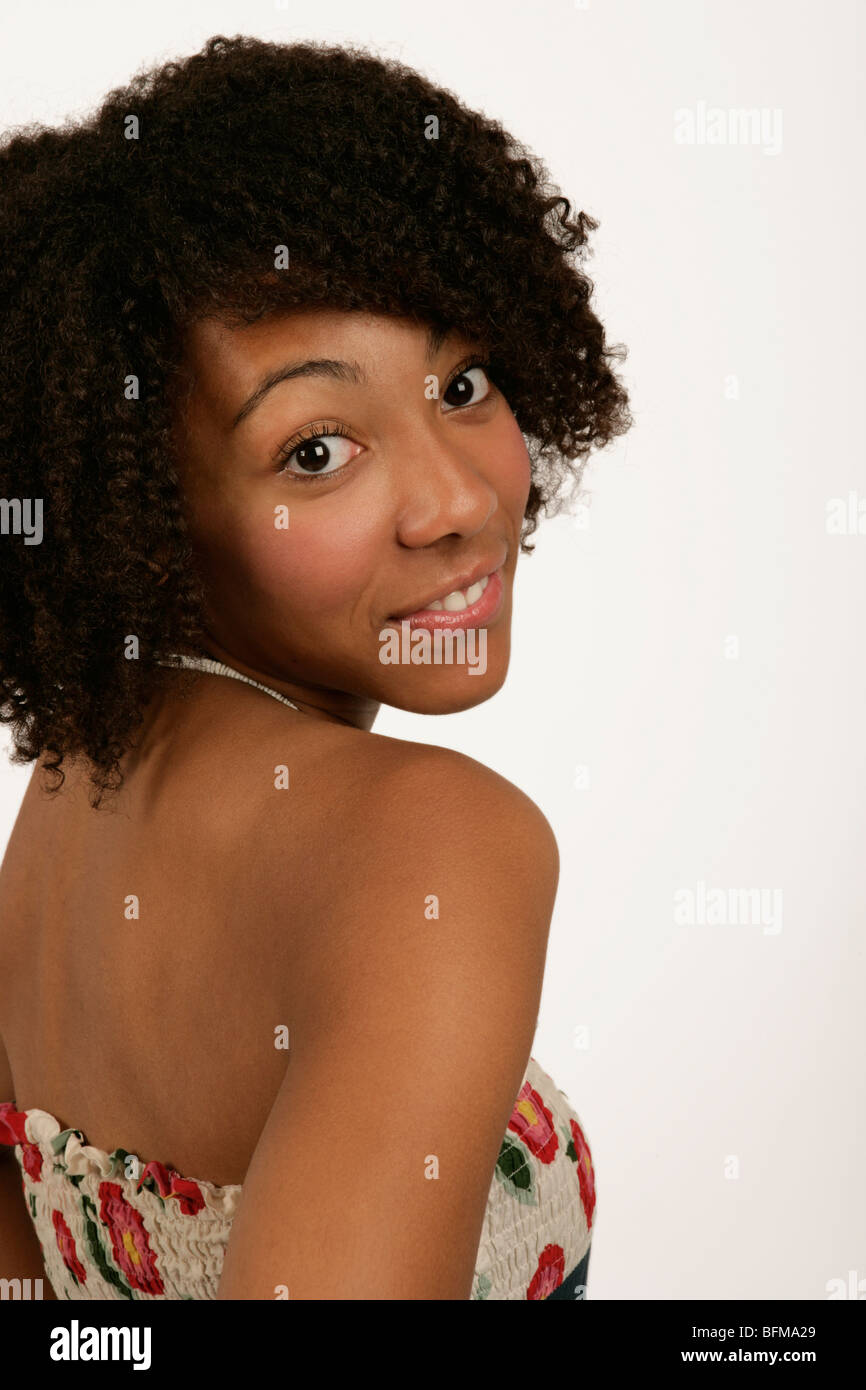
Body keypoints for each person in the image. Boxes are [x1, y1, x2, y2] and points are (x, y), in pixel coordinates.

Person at [0, 34, 631, 1300]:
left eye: (460, 381)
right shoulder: (429, 838)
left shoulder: (71, 798)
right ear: (140, 508)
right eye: (314, 452)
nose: (456, 499)